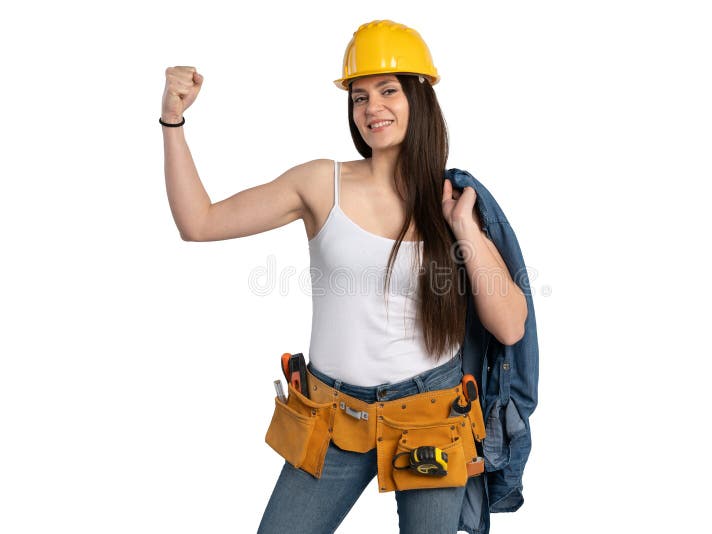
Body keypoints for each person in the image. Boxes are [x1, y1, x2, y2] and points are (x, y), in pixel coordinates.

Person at [161, 19, 528, 534]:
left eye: (388, 91)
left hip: (430, 416)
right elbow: (199, 223)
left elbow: (511, 327)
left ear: (419, 97)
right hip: (333, 419)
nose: (372, 108)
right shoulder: (320, 183)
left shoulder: (452, 199)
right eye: (359, 97)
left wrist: (464, 226)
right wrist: (172, 123)